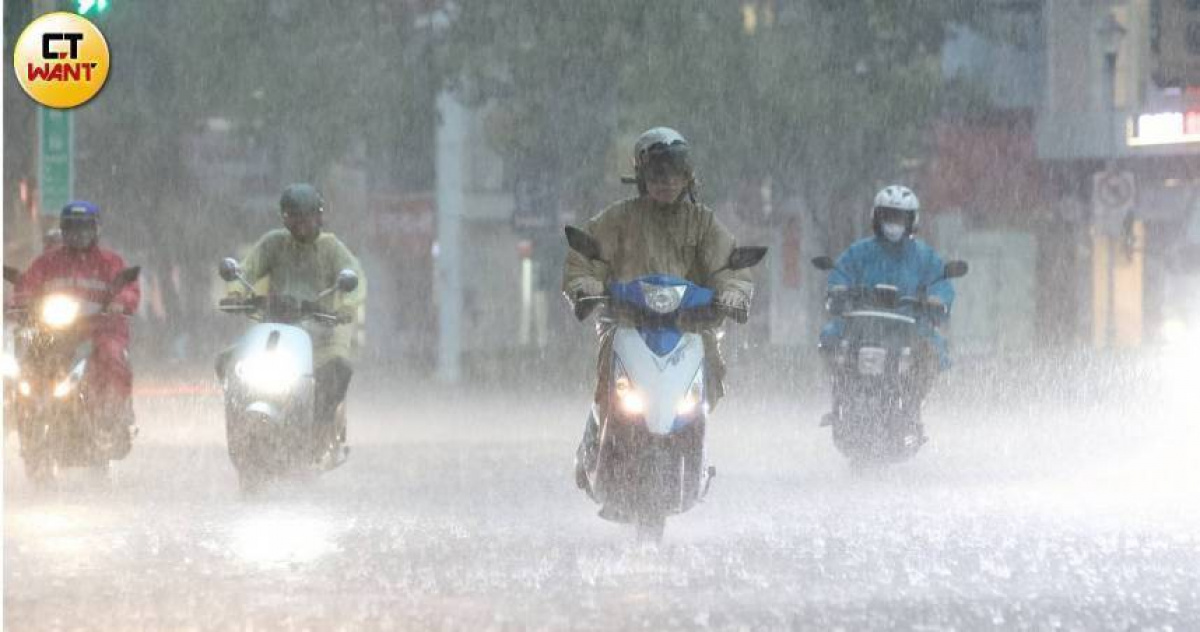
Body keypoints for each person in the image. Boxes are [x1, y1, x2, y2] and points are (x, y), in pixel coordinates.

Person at [563, 127, 755, 484]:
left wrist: (733, 293)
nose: (666, 182)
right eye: (656, 174)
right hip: (626, 322)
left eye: (675, 174)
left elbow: (729, 266)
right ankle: (592, 444)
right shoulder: (619, 218)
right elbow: (586, 257)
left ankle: (697, 447)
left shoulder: (703, 223)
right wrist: (586, 285)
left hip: (689, 327)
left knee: (711, 378)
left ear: (688, 177)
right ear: (641, 176)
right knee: (608, 380)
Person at [225, 183, 366, 464]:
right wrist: (237, 293)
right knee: (229, 364)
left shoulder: (331, 248)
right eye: (295, 216)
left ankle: (320, 432)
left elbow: (355, 279)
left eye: (308, 216)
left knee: (337, 369)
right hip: (274, 328)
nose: (302, 223)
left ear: (320, 217)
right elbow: (248, 268)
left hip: (322, 333)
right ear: (284, 218)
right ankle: (238, 428)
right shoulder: (273, 243)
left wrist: (346, 307)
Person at [818, 185, 956, 432]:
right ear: (877, 217)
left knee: (932, 352)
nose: (893, 224)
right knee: (830, 339)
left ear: (912, 221)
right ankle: (842, 392)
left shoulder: (925, 257)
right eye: (888, 216)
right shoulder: (859, 252)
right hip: (861, 324)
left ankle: (912, 404)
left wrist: (937, 300)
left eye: (900, 218)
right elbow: (840, 274)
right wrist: (839, 290)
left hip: (909, 327)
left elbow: (941, 283)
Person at [16, 201, 141, 458]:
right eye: (72, 228)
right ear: (63, 230)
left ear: (96, 230)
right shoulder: (47, 262)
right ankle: (30, 415)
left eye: (85, 228)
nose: (79, 234)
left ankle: (112, 413)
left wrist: (121, 302)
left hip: (101, 329)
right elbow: (26, 286)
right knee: (30, 360)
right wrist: (18, 305)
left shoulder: (110, 261)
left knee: (111, 355)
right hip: (55, 332)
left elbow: (128, 288)